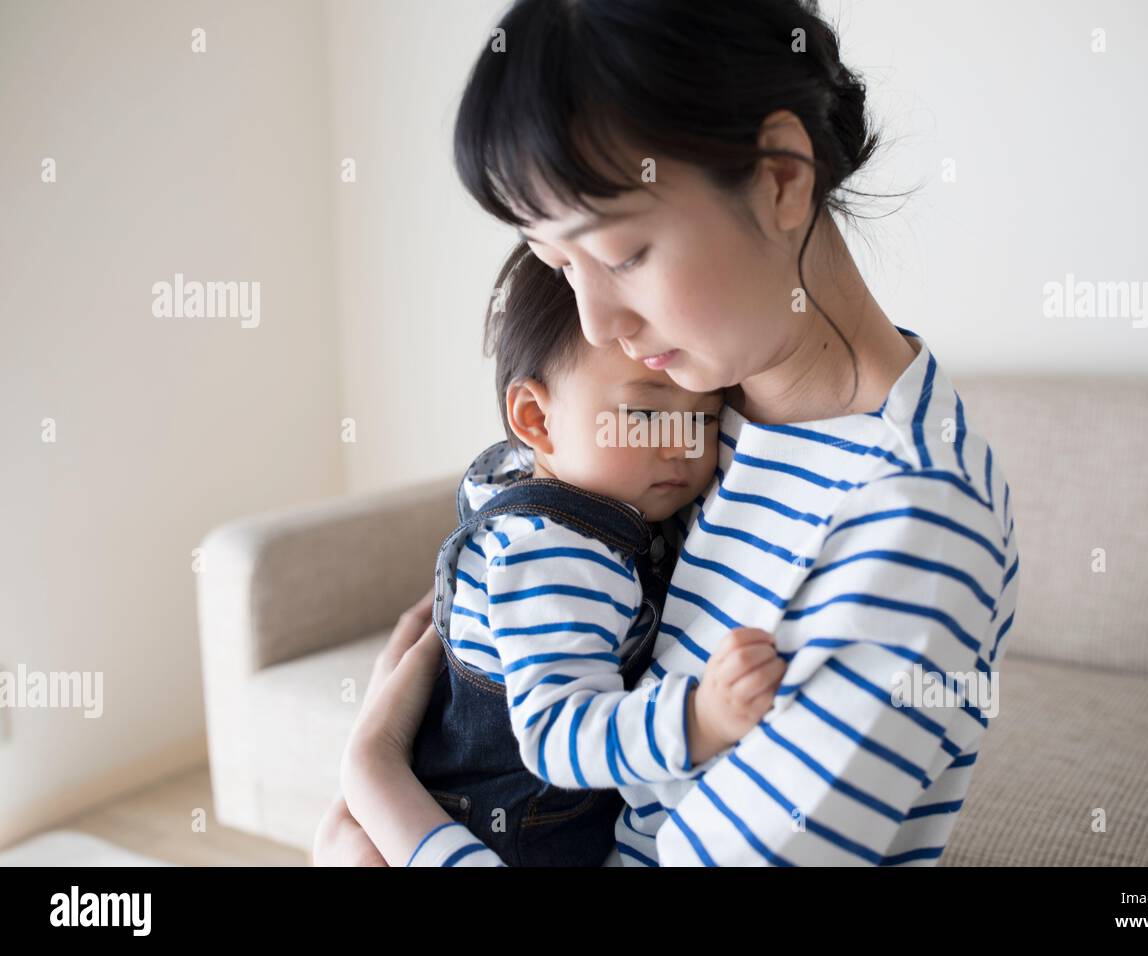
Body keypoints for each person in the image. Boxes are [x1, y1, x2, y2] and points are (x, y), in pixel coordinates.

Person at [316, 0, 1020, 867]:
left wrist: (380, 792)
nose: (597, 320)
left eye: (619, 256)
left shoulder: (916, 520)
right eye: (557, 264)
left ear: (780, 178)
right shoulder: (701, 409)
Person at [408, 244, 783, 866]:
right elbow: (559, 736)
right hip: (519, 842)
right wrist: (701, 720)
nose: (684, 447)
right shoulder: (556, 554)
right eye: (644, 414)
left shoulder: (553, 487)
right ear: (536, 418)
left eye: (707, 417)